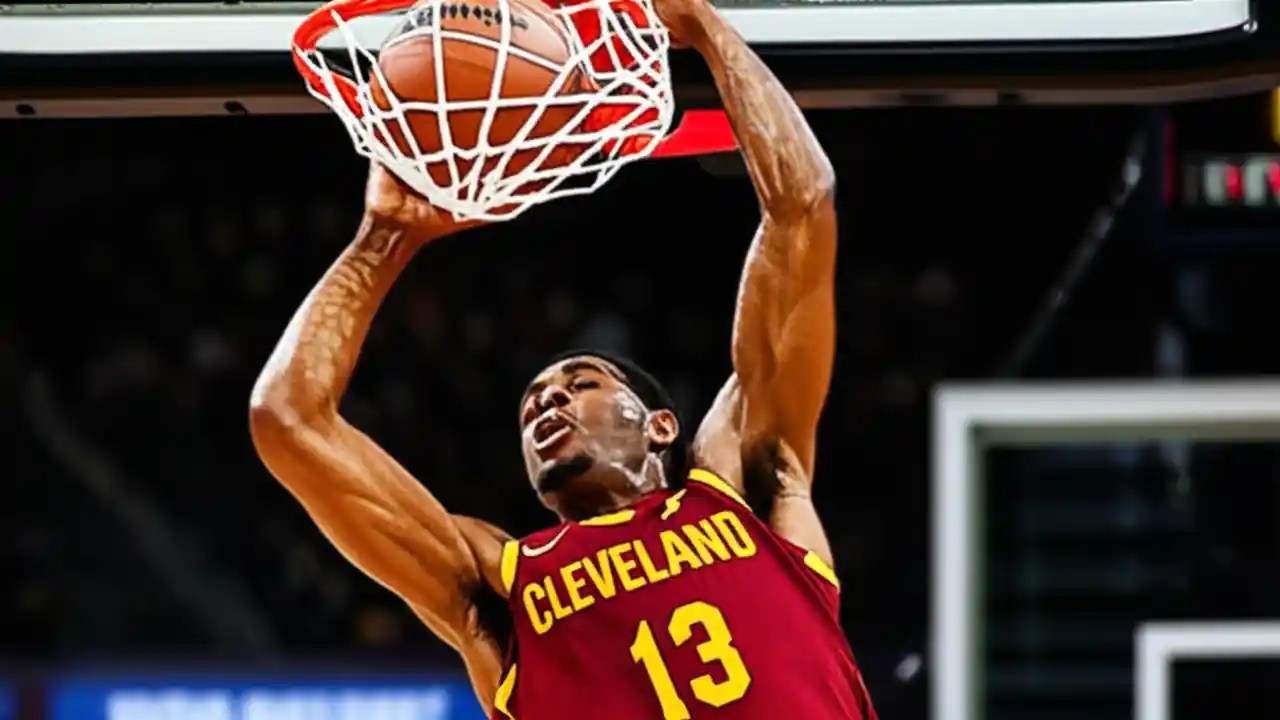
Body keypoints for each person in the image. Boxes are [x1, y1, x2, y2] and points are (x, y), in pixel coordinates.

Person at [249, 0, 876, 716]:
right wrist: (383, 239)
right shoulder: (499, 587)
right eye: (530, 405)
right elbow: (286, 419)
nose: (547, 401)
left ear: (661, 426)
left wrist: (700, 26)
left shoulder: (746, 492)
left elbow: (803, 205)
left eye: (581, 383)